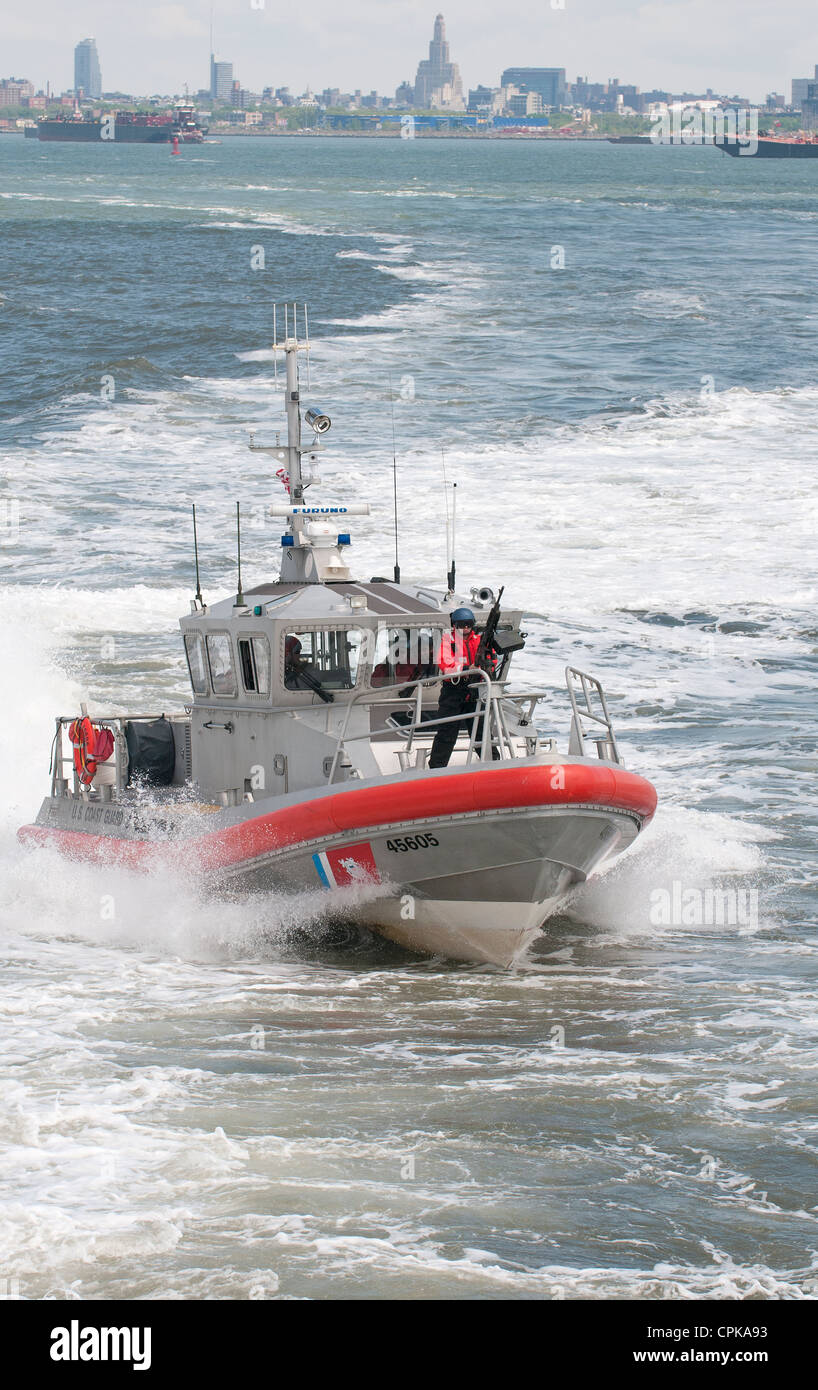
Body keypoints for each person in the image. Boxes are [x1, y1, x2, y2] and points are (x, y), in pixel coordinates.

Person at [429, 608, 493, 768]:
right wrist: (466, 669)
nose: (465, 628)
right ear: (454, 625)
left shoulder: (479, 641)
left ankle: (494, 763)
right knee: (447, 733)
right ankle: (436, 769)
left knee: (481, 732)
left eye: (468, 624)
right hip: (453, 693)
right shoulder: (447, 641)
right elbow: (445, 664)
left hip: (474, 692)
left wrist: (486, 666)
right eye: (461, 625)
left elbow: (491, 658)